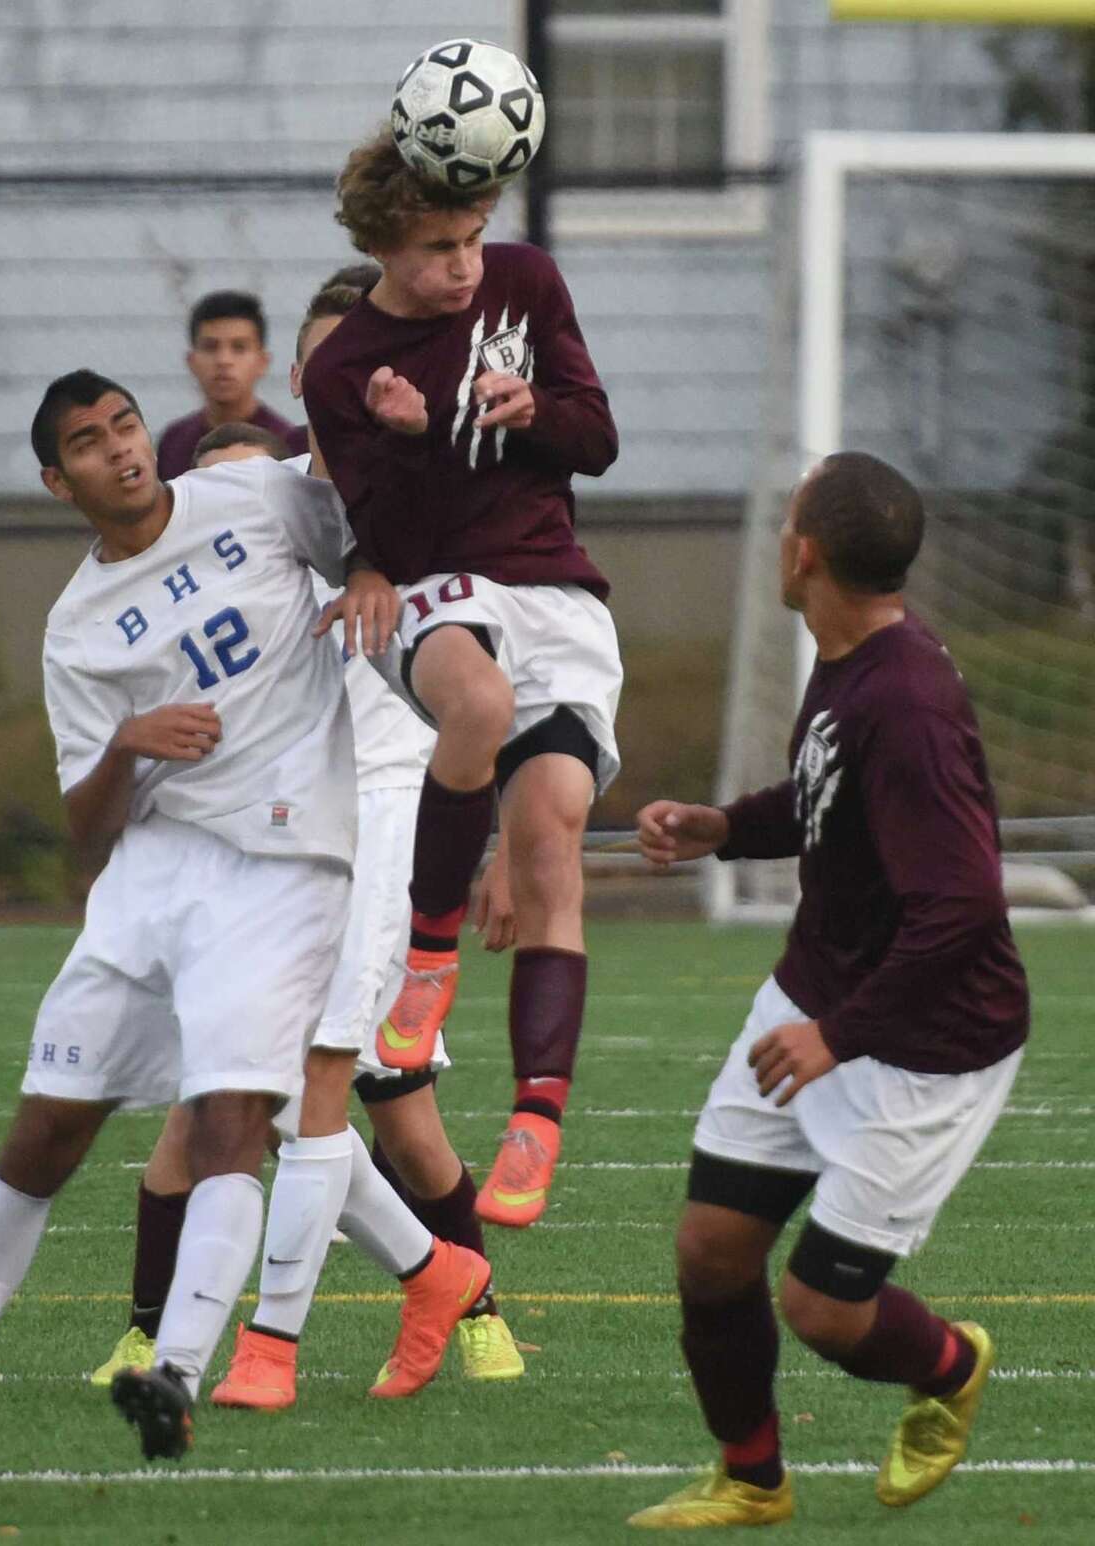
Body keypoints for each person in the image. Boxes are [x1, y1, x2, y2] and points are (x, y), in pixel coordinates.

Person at [0, 370, 488, 1503]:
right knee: (43, 1138)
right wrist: (127, 745)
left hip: (280, 871)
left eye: (125, 424)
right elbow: (85, 830)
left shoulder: (252, 498)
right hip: (148, 879)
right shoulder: (75, 628)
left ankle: (173, 1374)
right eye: (88, 442)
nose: (119, 449)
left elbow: (383, 523)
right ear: (56, 480)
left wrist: (369, 564)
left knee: (231, 1123)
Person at [93, 273, 524, 1404]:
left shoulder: (432, 501)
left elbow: (497, 688)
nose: (362, 385)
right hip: (281, 831)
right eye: (339, 365)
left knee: (347, 1088)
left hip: (389, 817)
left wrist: (515, 845)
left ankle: (271, 1349)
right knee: (262, 1099)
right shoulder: (266, 503)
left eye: (384, 363)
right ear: (301, 380)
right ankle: (436, 1276)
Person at [630, 452, 1029, 1530]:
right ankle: (752, 1479)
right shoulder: (848, 657)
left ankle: (950, 1367)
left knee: (822, 1308)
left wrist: (837, 1037)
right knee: (712, 1251)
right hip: (820, 998)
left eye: (785, 524)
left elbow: (962, 909)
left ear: (803, 553)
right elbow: (825, 801)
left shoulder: (908, 700)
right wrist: (725, 828)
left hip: (926, 1046)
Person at [302, 127, 623, 1230]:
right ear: (383, 246)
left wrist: (533, 411)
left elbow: (597, 440)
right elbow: (384, 538)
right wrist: (407, 433)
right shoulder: (343, 367)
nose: (465, 265)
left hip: (554, 589)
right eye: (440, 248)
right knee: (477, 705)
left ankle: (538, 1116)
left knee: (552, 836)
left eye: (475, 237)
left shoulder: (527, 283)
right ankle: (429, 956)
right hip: (439, 589)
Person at [155, 290, 308, 479]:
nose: (224, 360)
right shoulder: (173, 442)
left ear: (263, 361)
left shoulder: (288, 444)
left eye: (239, 347)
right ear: (191, 361)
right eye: (210, 347)